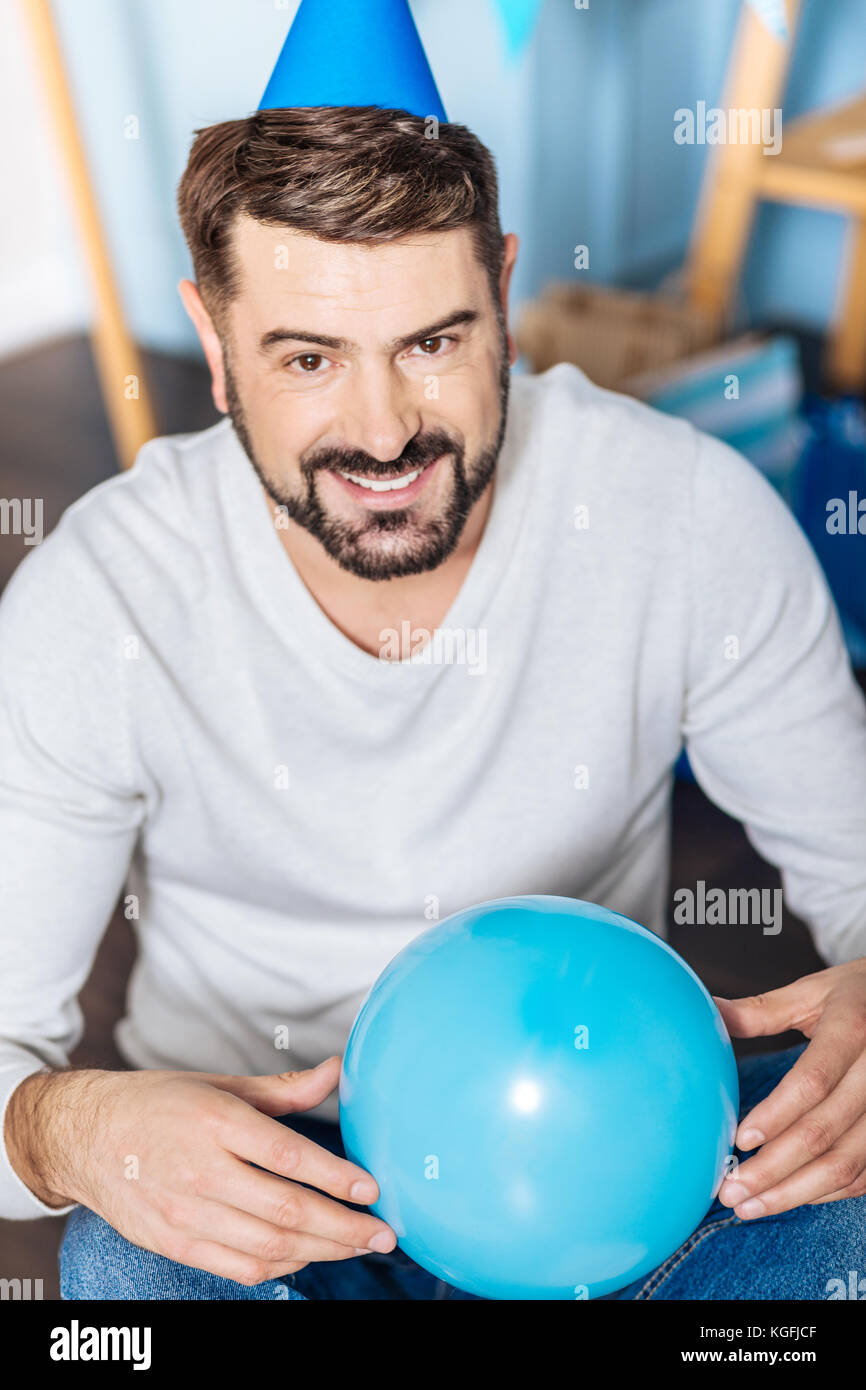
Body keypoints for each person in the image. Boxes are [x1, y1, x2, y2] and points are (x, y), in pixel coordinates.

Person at [2, 24, 866, 1302]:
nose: (384, 431)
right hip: (271, 1182)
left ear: (504, 292)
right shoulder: (100, 593)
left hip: (617, 1164)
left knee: (842, 1234)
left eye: (432, 342)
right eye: (307, 358)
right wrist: (74, 1128)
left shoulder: (685, 512)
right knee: (119, 1276)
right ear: (214, 340)